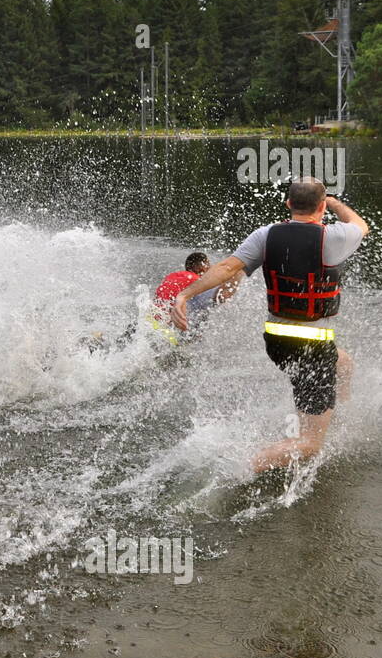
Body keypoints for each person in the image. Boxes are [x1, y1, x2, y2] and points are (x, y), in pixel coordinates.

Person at [172, 178, 369, 472]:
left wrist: (185, 295)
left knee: (345, 364)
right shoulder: (335, 237)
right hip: (312, 348)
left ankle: (327, 417)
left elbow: (226, 268)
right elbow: (360, 224)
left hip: (277, 341)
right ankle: (241, 466)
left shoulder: (266, 235)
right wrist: (334, 201)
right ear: (322, 207)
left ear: (289, 204)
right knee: (311, 445)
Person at [148, 251, 241, 344]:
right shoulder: (196, 281)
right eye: (208, 265)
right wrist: (237, 269)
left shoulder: (172, 277)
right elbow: (222, 296)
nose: (210, 269)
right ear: (199, 267)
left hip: (150, 323)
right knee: (208, 306)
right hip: (170, 333)